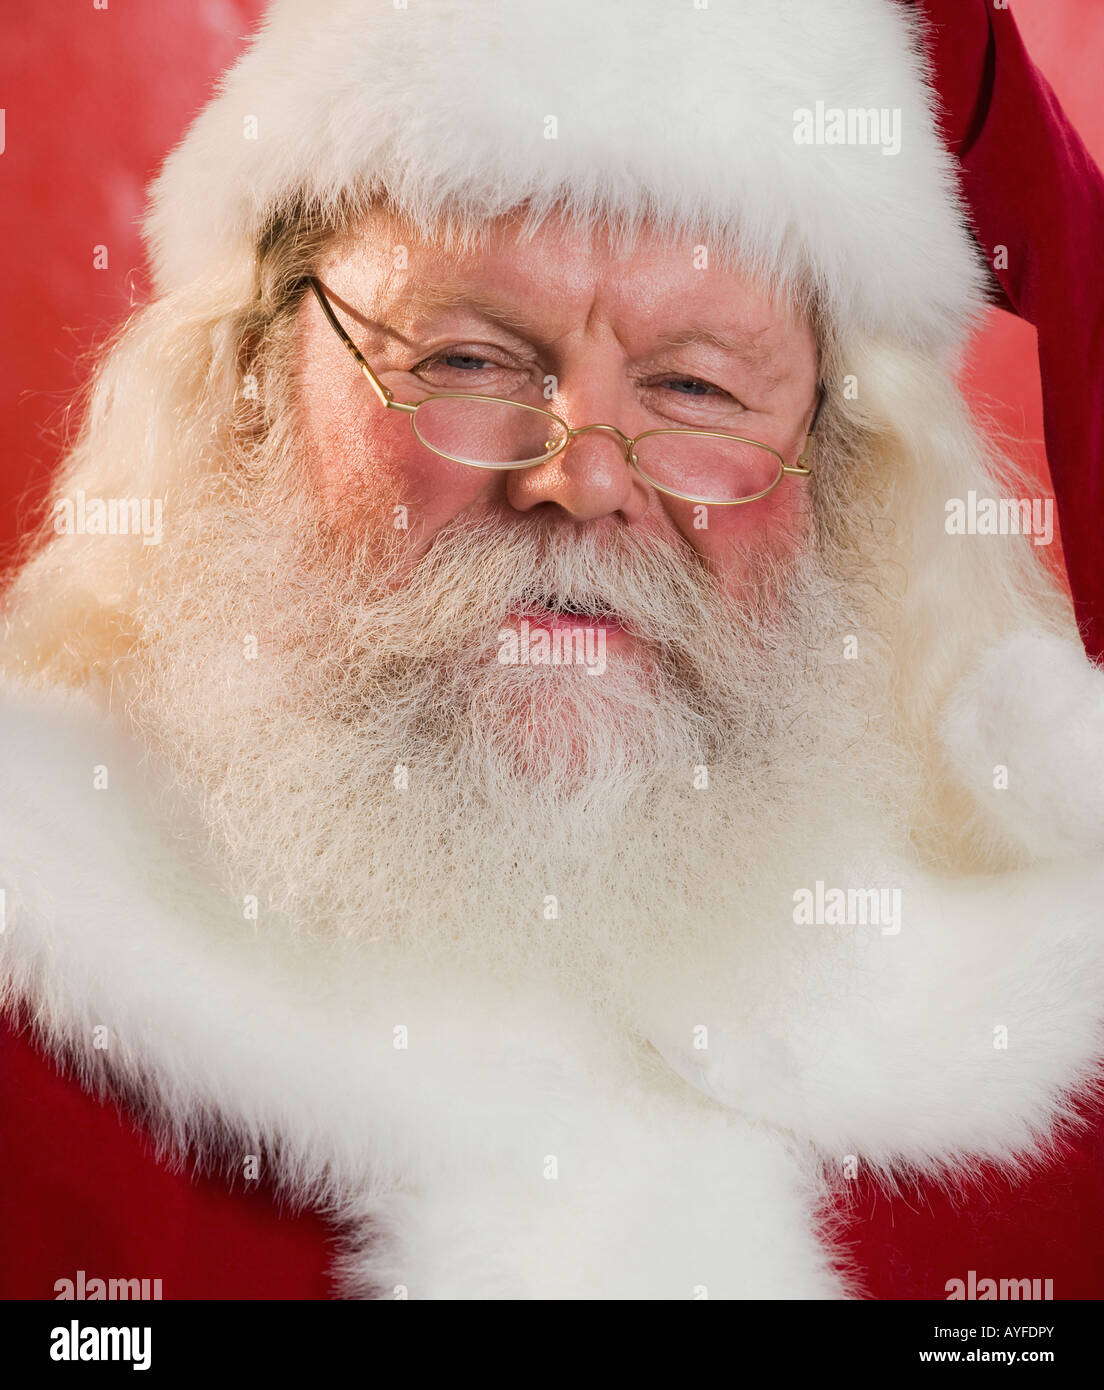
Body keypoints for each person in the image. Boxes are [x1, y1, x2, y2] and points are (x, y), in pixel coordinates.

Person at [2, 0, 1102, 1299]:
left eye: (695, 387)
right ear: (248, 387)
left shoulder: (1015, 1023)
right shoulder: (49, 1005)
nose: (578, 478)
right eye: (470, 359)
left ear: (841, 471)